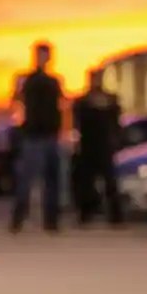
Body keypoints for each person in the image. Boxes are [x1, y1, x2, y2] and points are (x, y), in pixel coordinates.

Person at [11, 41, 63, 233]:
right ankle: (18, 218)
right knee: (27, 179)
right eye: (40, 55)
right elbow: (16, 102)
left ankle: (51, 221)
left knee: (52, 180)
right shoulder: (26, 80)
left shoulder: (54, 81)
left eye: (46, 55)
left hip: (50, 135)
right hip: (32, 135)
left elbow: (61, 106)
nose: (43, 59)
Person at [71, 68, 125, 226]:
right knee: (86, 183)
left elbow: (116, 122)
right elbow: (78, 121)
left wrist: (116, 140)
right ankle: (85, 214)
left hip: (105, 146)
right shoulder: (82, 101)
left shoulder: (110, 99)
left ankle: (116, 217)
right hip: (88, 145)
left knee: (110, 183)